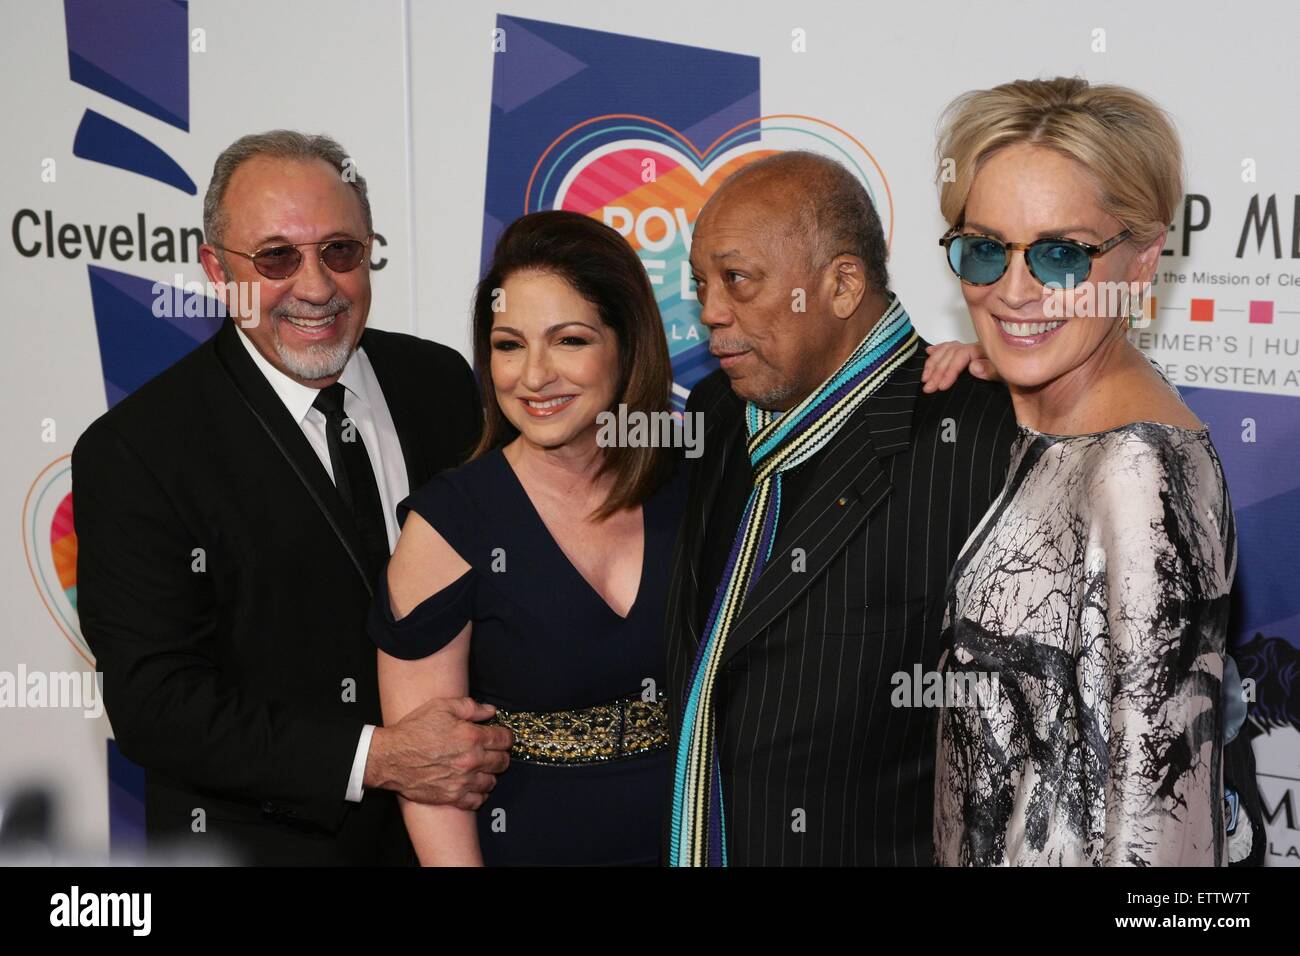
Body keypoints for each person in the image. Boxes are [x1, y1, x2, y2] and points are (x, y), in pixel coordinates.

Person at [72, 131, 510, 866]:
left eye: (340, 250)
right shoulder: (139, 448)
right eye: (277, 258)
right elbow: (156, 704)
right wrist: (377, 757)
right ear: (216, 269)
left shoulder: (441, 384)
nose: (316, 286)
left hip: (463, 838)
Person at [666, 151, 1018, 866]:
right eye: (701, 283)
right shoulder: (714, 413)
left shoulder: (983, 437)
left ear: (843, 284)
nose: (708, 310)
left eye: (737, 279)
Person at [926, 78, 1237, 865]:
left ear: (1143, 259)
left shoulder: (1136, 472)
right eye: (986, 249)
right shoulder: (1049, 417)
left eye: (1063, 253)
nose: (1016, 290)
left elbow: (1163, 832)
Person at [369, 210, 686, 866]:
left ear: (626, 345)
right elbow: (432, 778)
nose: (534, 375)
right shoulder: (449, 526)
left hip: (696, 839)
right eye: (509, 344)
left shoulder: (696, 483)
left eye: (568, 340)